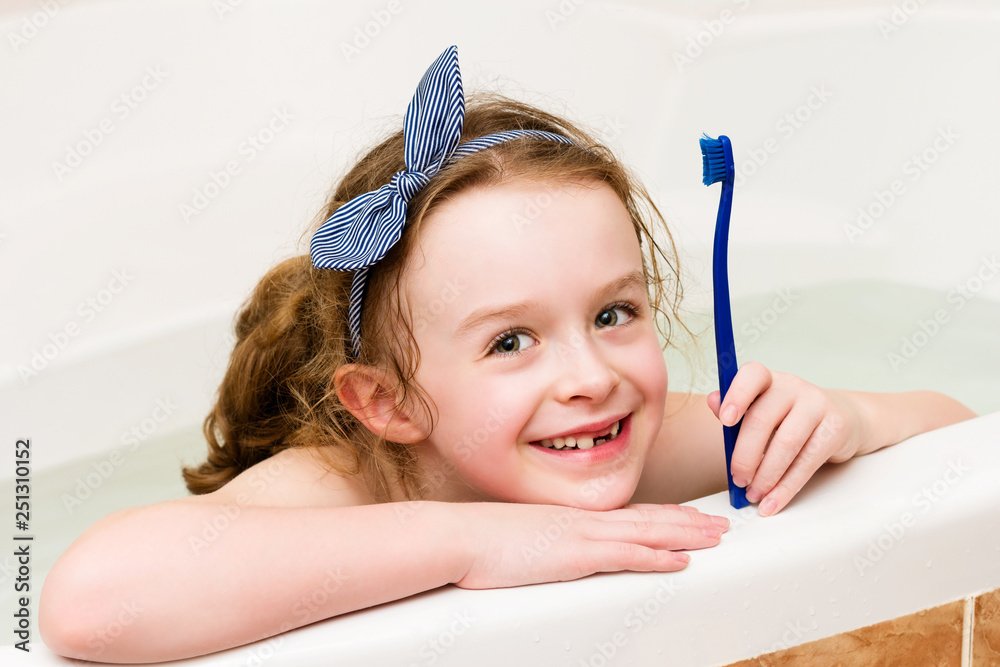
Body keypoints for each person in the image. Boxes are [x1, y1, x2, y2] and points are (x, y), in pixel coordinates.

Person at [38, 46, 976, 663]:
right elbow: (88, 599)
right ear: (388, 402)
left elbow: (961, 440)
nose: (590, 375)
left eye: (614, 313)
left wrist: (853, 420)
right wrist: (476, 540)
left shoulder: (627, 434)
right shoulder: (355, 481)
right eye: (511, 340)